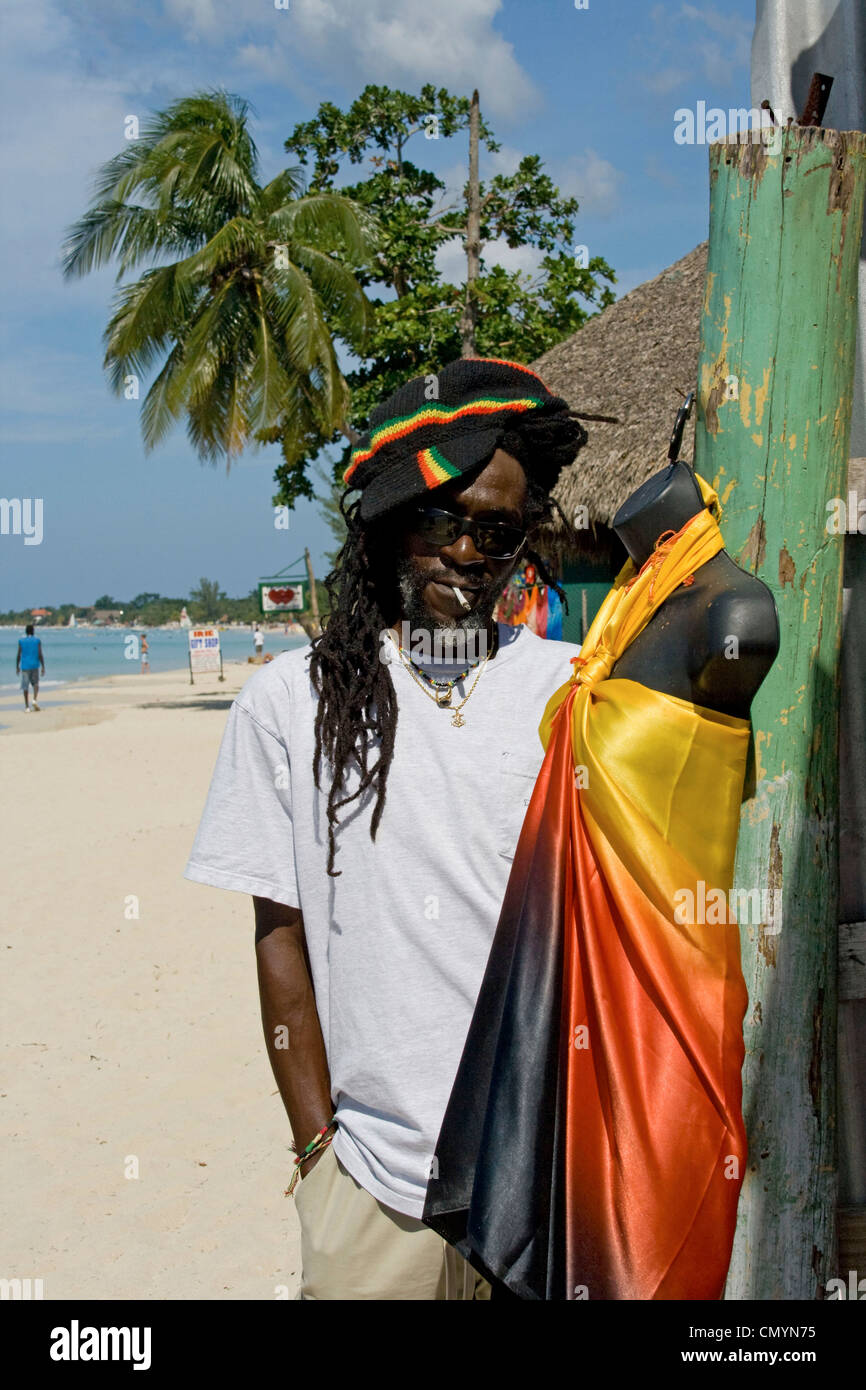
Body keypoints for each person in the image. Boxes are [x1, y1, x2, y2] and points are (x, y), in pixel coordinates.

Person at [184, 358, 588, 1299]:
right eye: (438, 518)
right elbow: (279, 936)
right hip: (373, 1185)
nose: (465, 550)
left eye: (495, 528)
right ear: (385, 523)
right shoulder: (290, 704)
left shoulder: (578, 691)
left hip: (553, 1174)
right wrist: (317, 1147)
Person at [16, 623, 45, 712]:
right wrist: (43, 666)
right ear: (33, 631)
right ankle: (34, 700)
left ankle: (27, 707)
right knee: (35, 684)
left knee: (25, 686)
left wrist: (17, 666)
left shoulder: (21, 641)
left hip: (25, 666)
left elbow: (19, 654)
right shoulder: (37, 641)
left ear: (26, 632)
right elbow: (40, 654)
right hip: (35, 665)